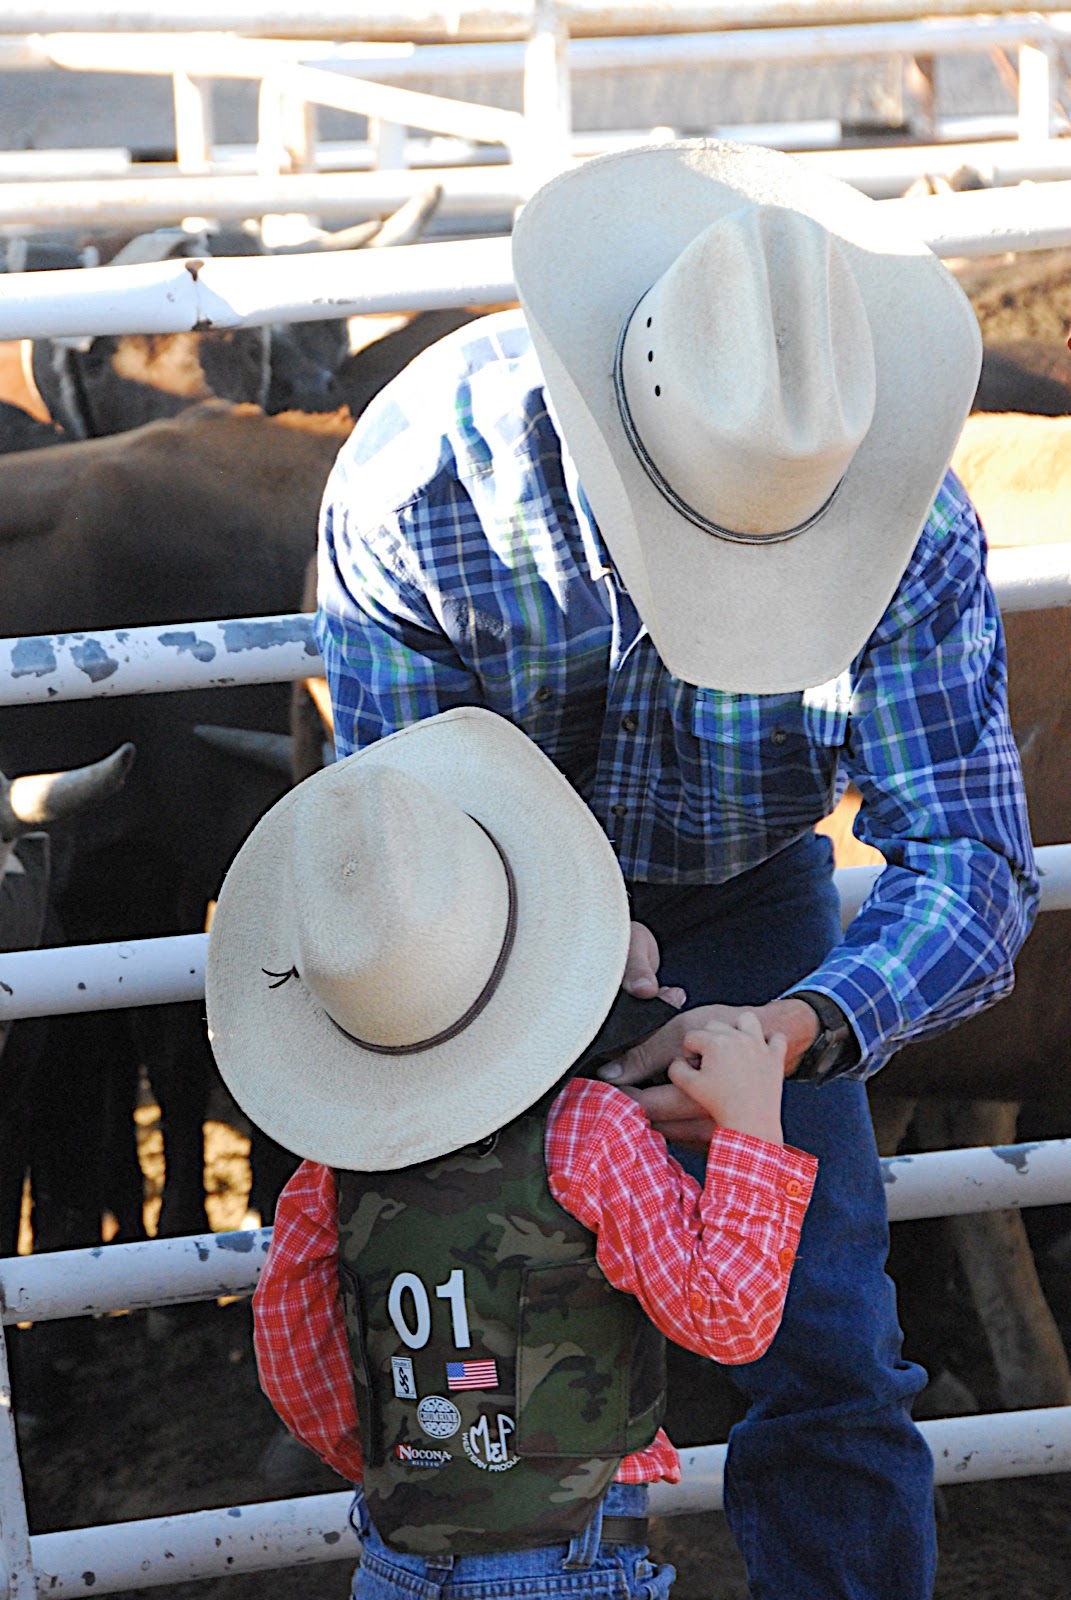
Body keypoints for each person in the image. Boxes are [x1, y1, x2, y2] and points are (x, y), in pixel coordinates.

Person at [314, 141, 1039, 1598]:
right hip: (473, 918)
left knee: (826, 1343)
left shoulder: (910, 528)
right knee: (495, 1333)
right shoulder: (417, 489)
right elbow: (404, 836)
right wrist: (565, 986)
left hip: (747, 891)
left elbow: (972, 857)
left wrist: (795, 1027)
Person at [204, 705, 818, 1599]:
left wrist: (419, 1467)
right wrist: (753, 1128)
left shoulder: (325, 1180)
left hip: (395, 1559)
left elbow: (297, 1365)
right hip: (573, 1558)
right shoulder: (591, 1133)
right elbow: (727, 1320)